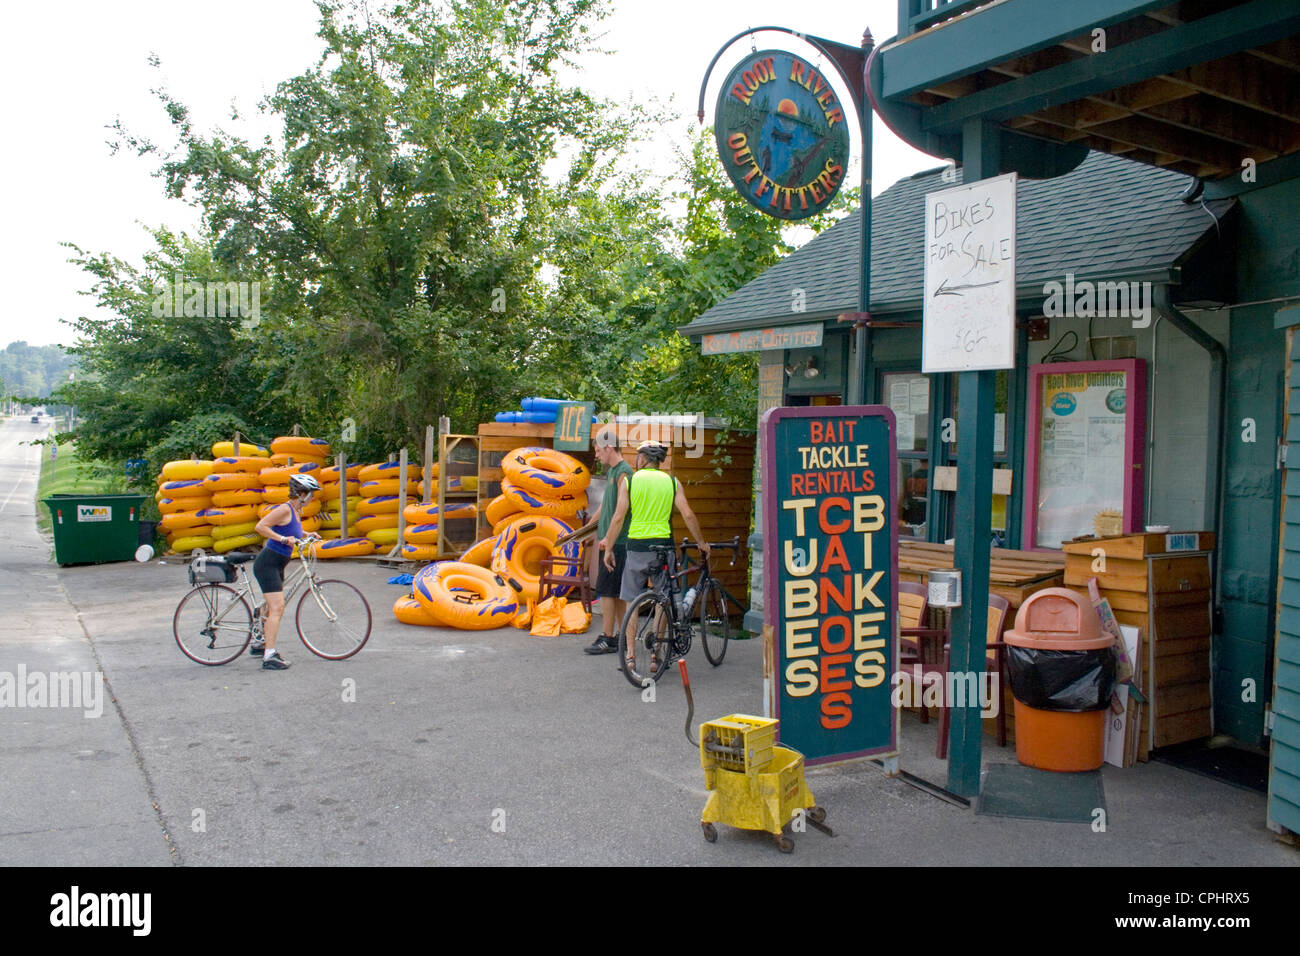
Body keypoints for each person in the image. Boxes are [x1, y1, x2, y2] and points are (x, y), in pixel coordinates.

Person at [601, 440, 710, 664]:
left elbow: (619, 517)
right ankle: (655, 654)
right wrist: (701, 542)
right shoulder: (672, 482)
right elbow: (688, 514)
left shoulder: (630, 481)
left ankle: (630, 656)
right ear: (660, 461)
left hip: (636, 547)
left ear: (642, 458)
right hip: (663, 548)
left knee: (632, 601)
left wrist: (609, 548)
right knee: (663, 600)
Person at [251, 473, 320, 670]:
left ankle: (258, 642)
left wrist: (307, 534)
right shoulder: (284, 509)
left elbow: (291, 530)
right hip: (268, 563)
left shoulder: (296, 512)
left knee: (270, 605)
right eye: (310, 494)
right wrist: (281, 540)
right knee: (277, 608)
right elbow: (261, 526)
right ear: (301, 494)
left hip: (278, 564)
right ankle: (269, 656)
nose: (313, 497)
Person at [584, 427, 635, 654]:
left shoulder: (625, 473)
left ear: (609, 447)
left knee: (607, 591)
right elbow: (606, 506)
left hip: (617, 543)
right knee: (615, 592)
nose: (596, 455)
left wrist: (609, 540)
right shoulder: (613, 471)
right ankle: (620, 638)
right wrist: (587, 528)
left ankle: (608, 637)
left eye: (598, 450)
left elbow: (620, 513)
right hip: (609, 541)